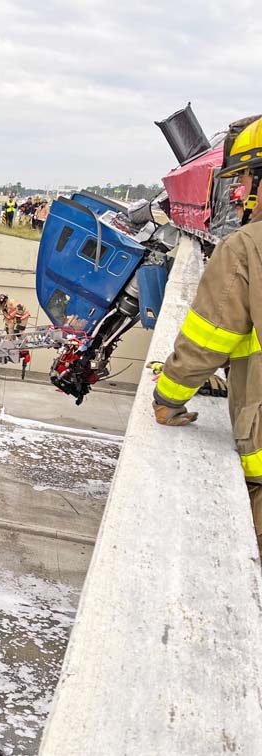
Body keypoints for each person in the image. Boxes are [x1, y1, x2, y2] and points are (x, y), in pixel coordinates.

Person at [151, 113, 262, 549]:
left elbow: (209, 337)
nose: (240, 192)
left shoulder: (248, 246)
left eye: (248, 179)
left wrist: (168, 397)